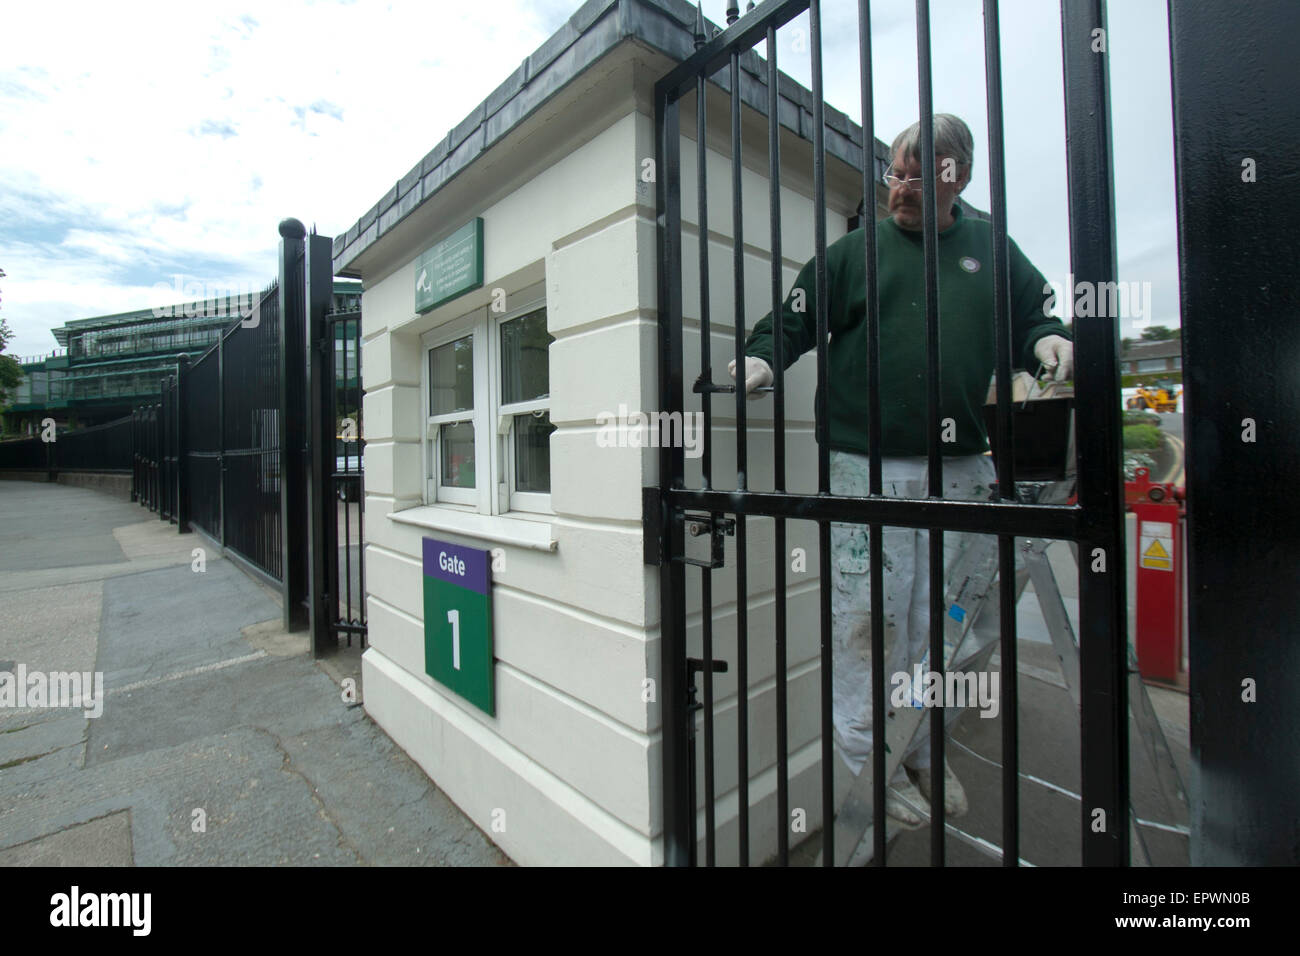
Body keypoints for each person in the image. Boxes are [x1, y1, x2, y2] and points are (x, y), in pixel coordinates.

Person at [729, 114, 1073, 826]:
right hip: (867, 464)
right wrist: (764, 356)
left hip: (963, 465)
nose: (902, 186)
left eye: (921, 173)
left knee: (961, 617)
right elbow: (794, 319)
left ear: (959, 177)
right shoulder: (855, 254)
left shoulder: (989, 249)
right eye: (895, 172)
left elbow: (1035, 314)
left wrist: (1049, 341)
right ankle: (869, 762)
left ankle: (917, 745)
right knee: (871, 622)